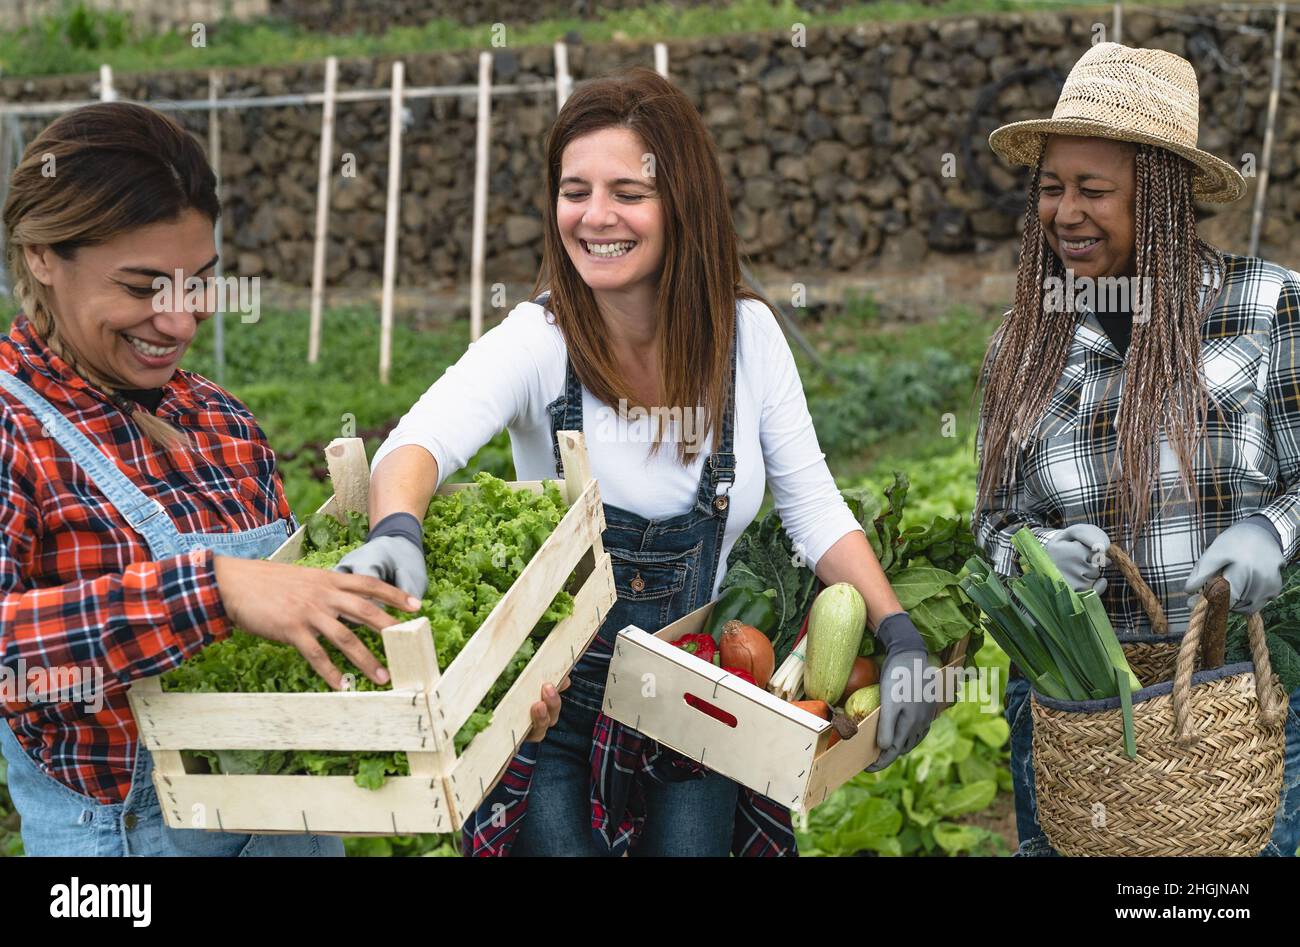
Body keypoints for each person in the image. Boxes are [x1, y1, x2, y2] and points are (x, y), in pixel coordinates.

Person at [336, 68, 938, 856]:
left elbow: (814, 506)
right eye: (573, 189)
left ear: (681, 202)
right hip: (551, 712)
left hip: (700, 709)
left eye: (628, 191)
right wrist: (399, 527)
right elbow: (417, 443)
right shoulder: (539, 343)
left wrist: (898, 633)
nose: (595, 217)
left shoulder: (748, 340)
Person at [0, 102, 457, 856]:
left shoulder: (221, 419)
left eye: (199, 282)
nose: (180, 321)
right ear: (46, 255)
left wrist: (454, 702)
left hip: (296, 823)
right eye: (144, 287)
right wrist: (211, 590)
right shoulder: (15, 427)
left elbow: (300, 644)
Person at [975, 42, 1300, 856]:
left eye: (1093, 189)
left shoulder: (1265, 306)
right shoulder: (1023, 342)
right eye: (1050, 188)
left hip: (1234, 715)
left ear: (1158, 196)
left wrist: (1270, 530)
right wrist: (1033, 552)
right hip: (1076, 722)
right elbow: (991, 524)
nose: (1064, 212)